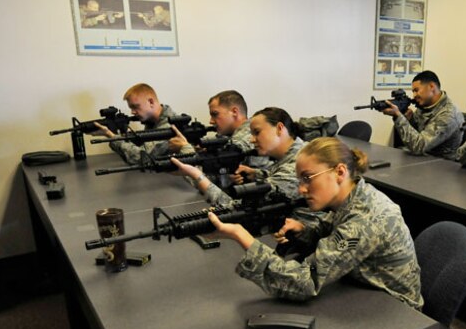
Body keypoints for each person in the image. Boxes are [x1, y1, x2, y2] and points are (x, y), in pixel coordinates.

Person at [204, 136, 423, 309]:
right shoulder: (354, 195)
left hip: (394, 318)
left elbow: (304, 282)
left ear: (339, 172)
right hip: (360, 293)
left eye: (308, 178)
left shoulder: (366, 218)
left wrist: (242, 237)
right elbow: (333, 231)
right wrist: (304, 230)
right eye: (299, 180)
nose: (301, 189)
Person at [171, 107, 301, 209]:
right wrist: (255, 174)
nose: (252, 139)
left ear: (279, 128)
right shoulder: (297, 154)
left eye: (257, 132)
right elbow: (276, 175)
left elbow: (236, 207)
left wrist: (199, 176)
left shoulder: (296, 168)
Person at [95, 83, 192, 165]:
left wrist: (111, 136)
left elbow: (141, 157)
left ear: (151, 102)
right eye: (131, 108)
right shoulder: (152, 122)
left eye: (135, 106)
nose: (132, 112)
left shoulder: (170, 127)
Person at [379, 70, 464, 160]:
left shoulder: (448, 114)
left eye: (416, 90)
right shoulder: (426, 105)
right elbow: (417, 132)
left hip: (441, 165)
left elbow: (419, 146)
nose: (414, 95)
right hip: (422, 159)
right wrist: (410, 119)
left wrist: (398, 116)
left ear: (431, 86)